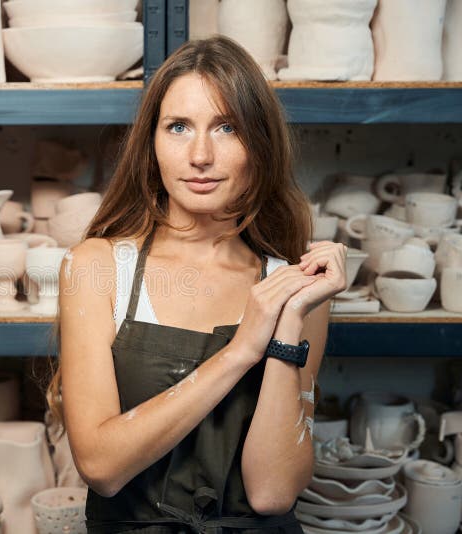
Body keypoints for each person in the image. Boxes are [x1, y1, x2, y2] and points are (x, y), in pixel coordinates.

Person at [50, 36, 348, 533]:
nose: (201, 155)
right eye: (179, 127)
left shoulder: (294, 288)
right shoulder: (97, 267)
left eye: (227, 127)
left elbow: (272, 493)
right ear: (152, 144)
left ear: (259, 145)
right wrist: (239, 351)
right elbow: (101, 467)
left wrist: (286, 324)